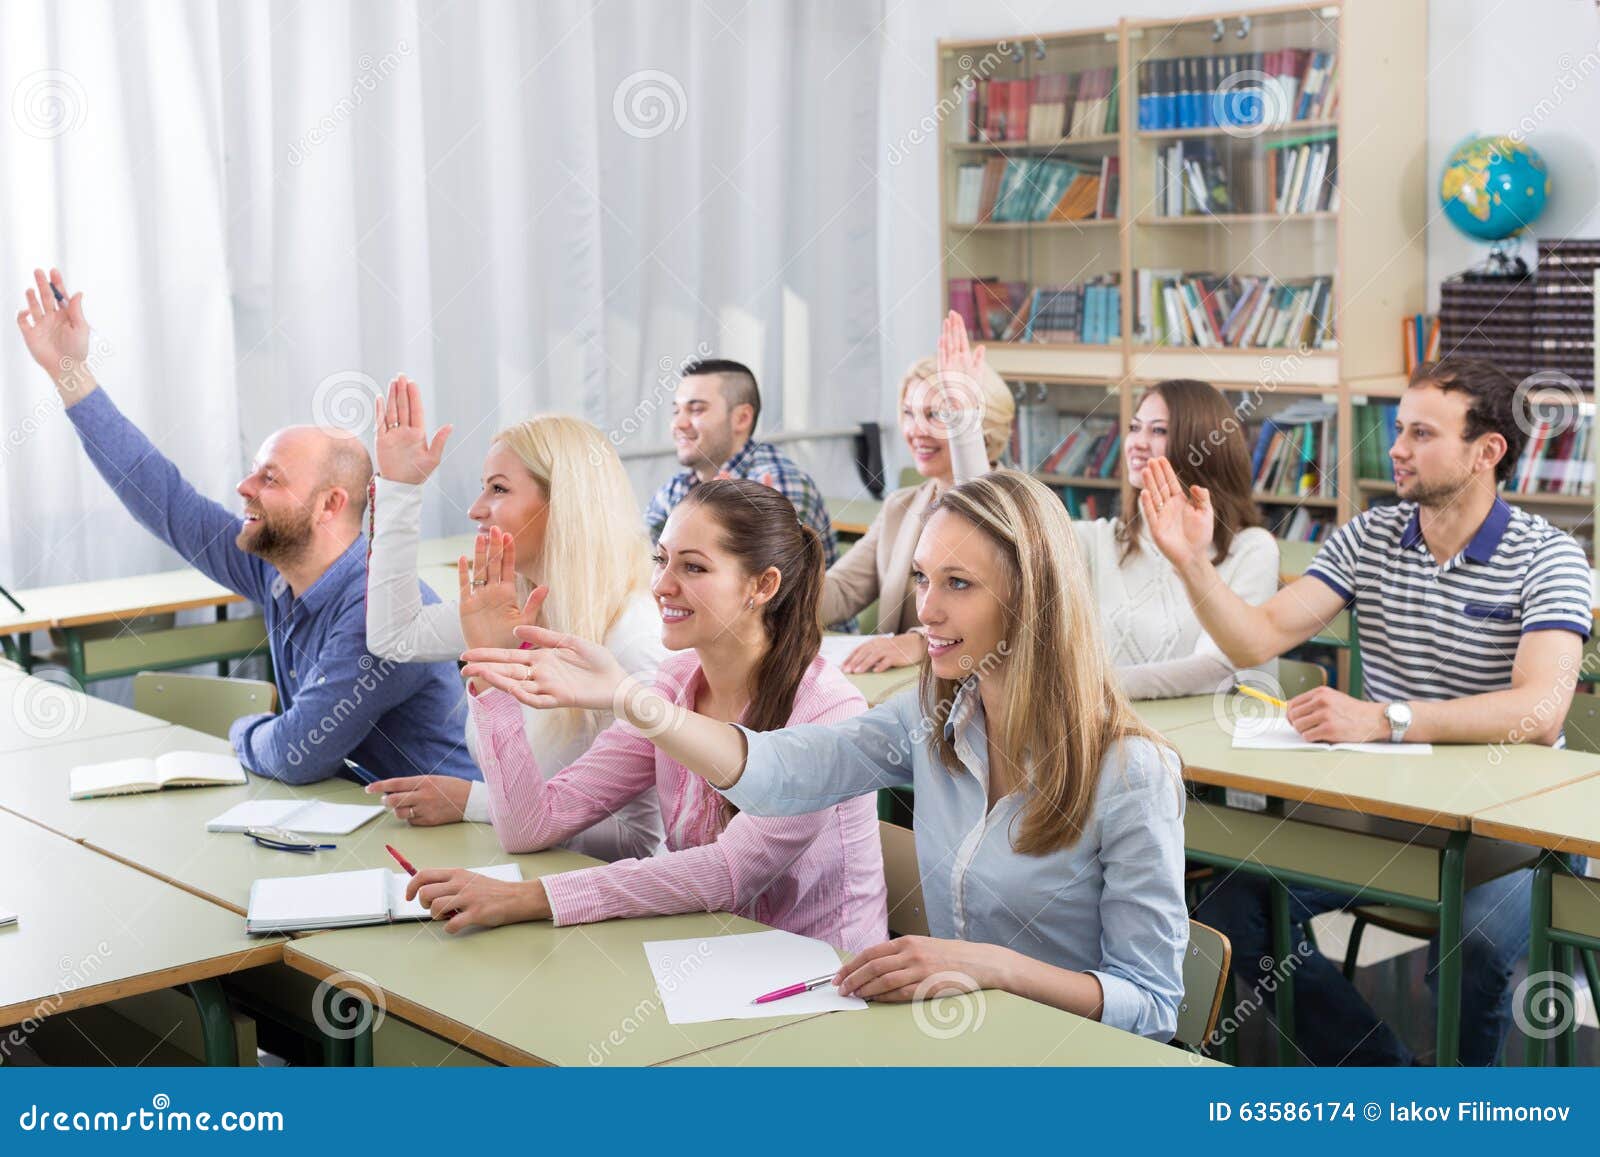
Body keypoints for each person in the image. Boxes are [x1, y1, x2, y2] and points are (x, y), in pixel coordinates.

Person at [460, 470, 1188, 1039]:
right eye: (923, 579)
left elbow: (1152, 1005)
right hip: (968, 1040)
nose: (924, 611)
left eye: (958, 585)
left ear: (1032, 600)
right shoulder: (931, 718)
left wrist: (992, 968)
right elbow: (782, 773)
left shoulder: (1132, 773)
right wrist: (633, 699)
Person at [1143, 356, 1593, 1065]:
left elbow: (1537, 710)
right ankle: (1392, 1082)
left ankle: (1461, 1116)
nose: (1397, 448)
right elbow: (1255, 636)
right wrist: (1192, 563)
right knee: (1236, 902)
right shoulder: (1369, 536)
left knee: (1473, 944)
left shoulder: (1552, 557)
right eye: (1397, 429)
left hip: (1513, 836)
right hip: (1387, 813)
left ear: (1487, 451)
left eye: (1421, 432)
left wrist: (1386, 717)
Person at [14, 269, 476, 785]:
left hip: (461, 845)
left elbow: (297, 755)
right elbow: (163, 499)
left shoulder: (378, 610)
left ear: (329, 505)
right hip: (374, 825)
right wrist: (70, 372)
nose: (244, 486)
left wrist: (244, 729)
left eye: (269, 477)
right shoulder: (279, 570)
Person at [408, 480, 888, 952]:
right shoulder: (675, 682)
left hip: (822, 980)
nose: (661, 585)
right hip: (699, 956)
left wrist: (532, 898)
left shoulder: (828, 709)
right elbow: (530, 827)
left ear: (762, 586)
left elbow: (729, 874)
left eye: (693, 567)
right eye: (661, 559)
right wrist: (494, 669)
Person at [361, 376, 665, 859]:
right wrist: (399, 488)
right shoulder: (509, 606)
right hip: (519, 870)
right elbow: (394, 635)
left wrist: (473, 802)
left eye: (498, 489)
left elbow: (640, 842)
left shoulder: (634, 634)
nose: (475, 509)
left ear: (563, 502)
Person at [823, 311, 1014, 673]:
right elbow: (840, 593)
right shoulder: (900, 507)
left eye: (939, 415)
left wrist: (916, 641)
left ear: (978, 422)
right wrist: (763, 568)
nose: (917, 430)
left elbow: (1007, 614)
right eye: (909, 413)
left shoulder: (1014, 507)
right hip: (900, 690)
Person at [1075, 379, 1279, 699]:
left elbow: (1217, 670)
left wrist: (1090, 687)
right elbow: (998, 536)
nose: (1137, 443)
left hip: (1216, 740)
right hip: (1125, 736)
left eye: (1158, 431)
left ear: (1203, 445)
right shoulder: (1102, 540)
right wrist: (969, 432)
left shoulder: (1253, 549)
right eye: (1134, 427)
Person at [644, 358, 838, 566]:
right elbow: (639, 560)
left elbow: (772, 591)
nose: (678, 423)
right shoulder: (677, 488)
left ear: (742, 418)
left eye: (697, 409)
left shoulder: (777, 483)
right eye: (676, 411)